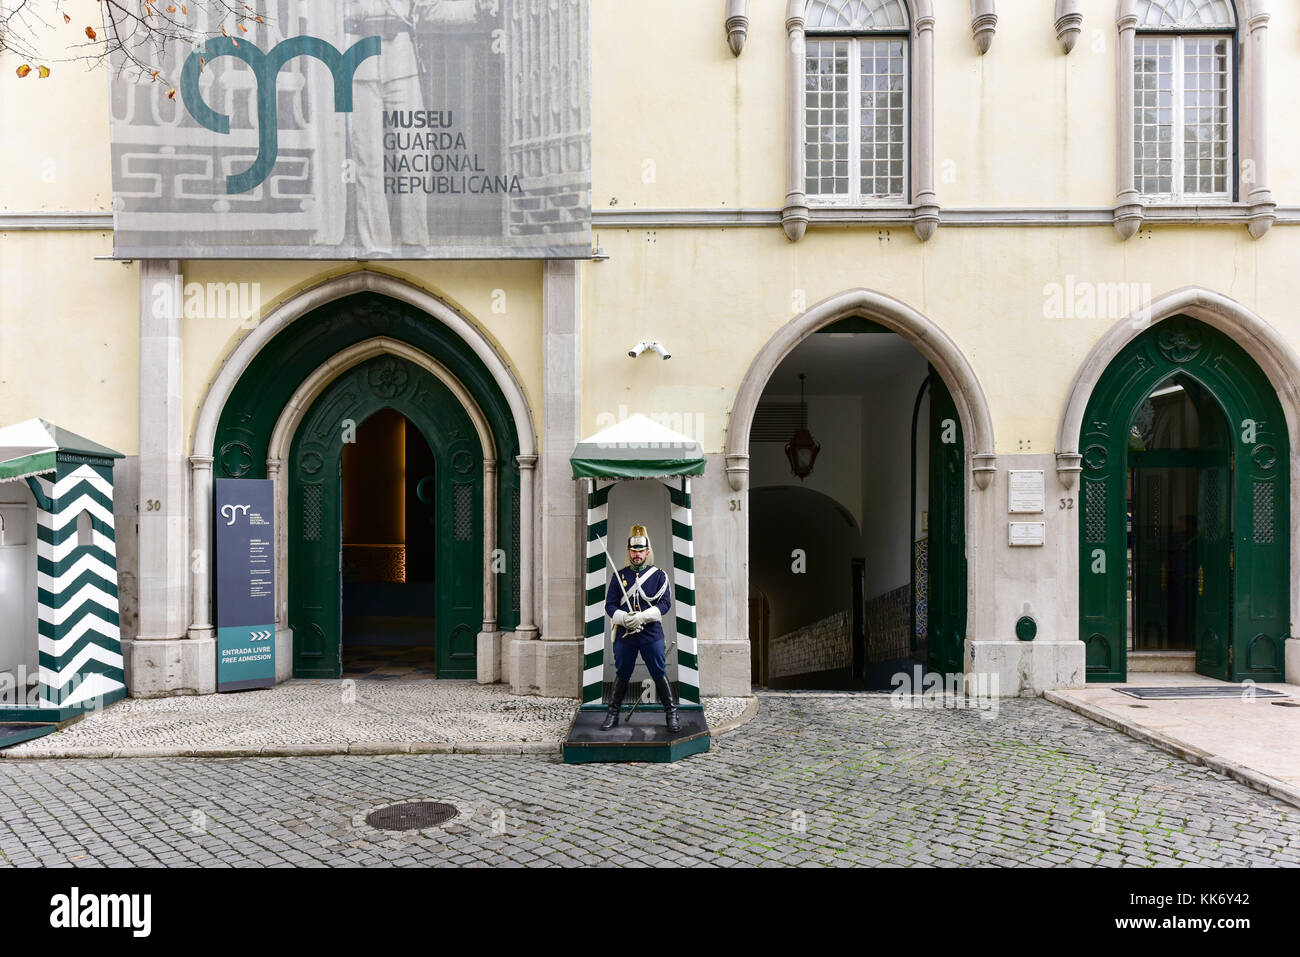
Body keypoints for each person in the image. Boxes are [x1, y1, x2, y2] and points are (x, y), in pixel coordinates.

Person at [347, 0, 481, 253]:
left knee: (415, 152)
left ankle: (415, 239)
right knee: (368, 158)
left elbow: (432, 8)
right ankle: (376, 244)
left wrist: (476, 7)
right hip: (358, 62)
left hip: (401, 62)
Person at [602, 524, 679, 732]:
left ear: (647, 552)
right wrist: (625, 618)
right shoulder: (620, 576)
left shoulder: (659, 576)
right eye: (634, 551)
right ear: (629, 552)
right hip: (626, 635)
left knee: (658, 672)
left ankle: (671, 714)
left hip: (650, 634)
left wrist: (643, 617)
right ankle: (613, 714)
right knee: (623, 673)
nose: (637, 555)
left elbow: (665, 604)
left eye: (641, 551)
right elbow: (609, 605)